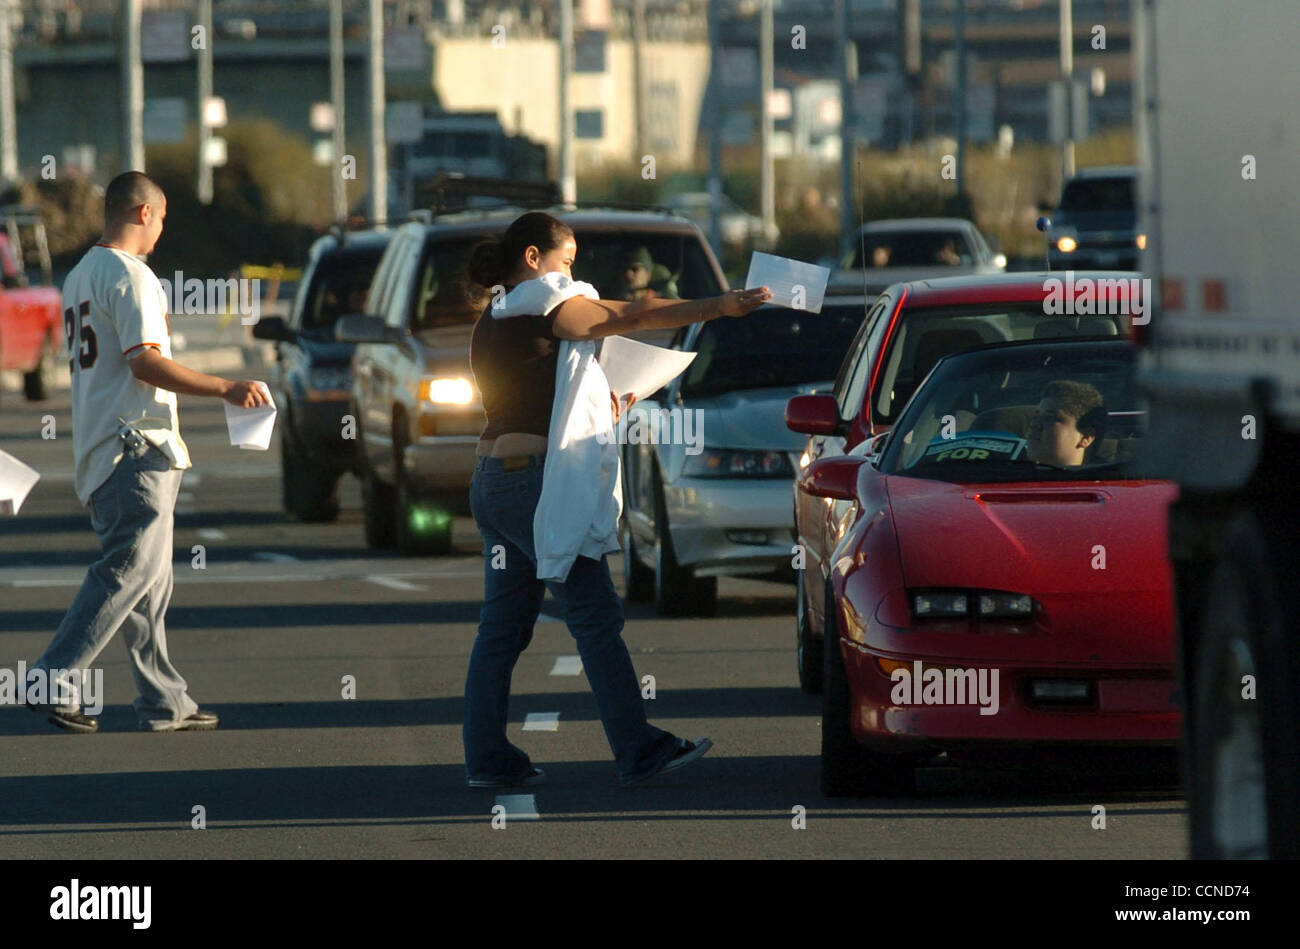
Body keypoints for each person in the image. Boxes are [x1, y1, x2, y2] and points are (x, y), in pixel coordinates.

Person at [464, 211, 769, 787]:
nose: (573, 273)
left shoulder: (494, 318)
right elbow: (627, 314)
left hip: (492, 481)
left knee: (501, 630)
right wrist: (717, 306)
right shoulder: (548, 305)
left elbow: (537, 396)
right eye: (567, 260)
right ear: (533, 259)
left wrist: (604, 406)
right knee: (595, 617)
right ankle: (638, 748)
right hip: (533, 483)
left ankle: (485, 758)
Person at [26, 171, 271, 734]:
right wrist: (226, 387)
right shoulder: (132, 276)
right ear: (143, 213)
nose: (162, 229)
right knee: (130, 569)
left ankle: (164, 699)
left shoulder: (81, 274)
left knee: (149, 583)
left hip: (100, 445)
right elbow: (145, 361)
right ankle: (51, 677)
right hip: (135, 445)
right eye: (161, 218)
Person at [1025, 379, 1105, 468]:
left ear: (1086, 437)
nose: (1034, 425)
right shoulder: (1011, 474)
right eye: (1035, 417)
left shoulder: (1109, 479)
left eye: (1049, 418)